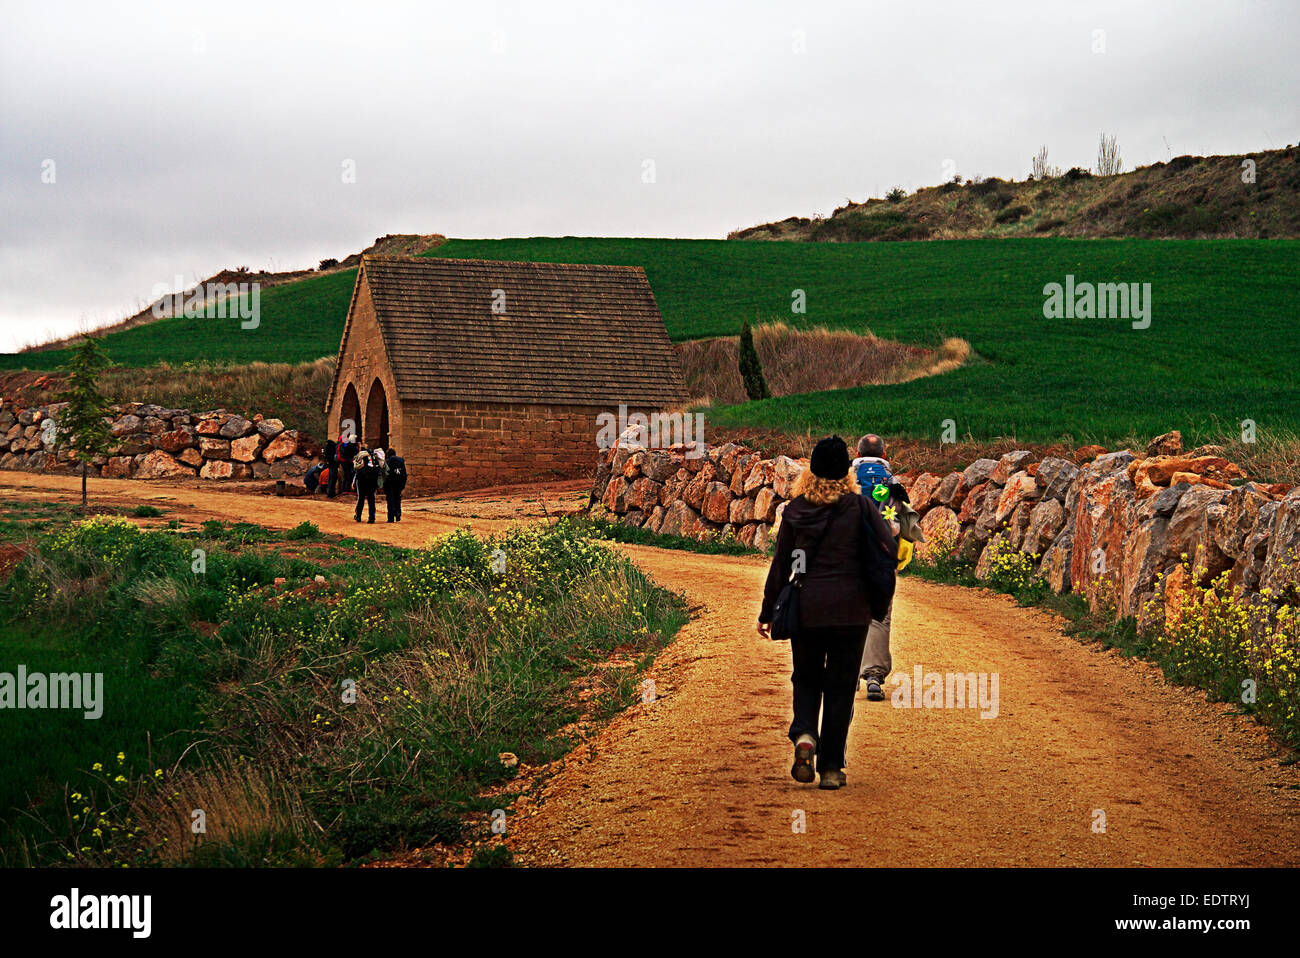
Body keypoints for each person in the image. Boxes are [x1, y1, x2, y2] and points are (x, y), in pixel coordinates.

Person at [758, 436, 897, 790]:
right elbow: (885, 553)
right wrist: (877, 603)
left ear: (812, 471)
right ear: (845, 472)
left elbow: (781, 566)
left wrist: (767, 610)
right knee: (840, 687)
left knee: (805, 677)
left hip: (808, 608)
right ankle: (832, 768)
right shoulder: (862, 508)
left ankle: (805, 734)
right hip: (851, 612)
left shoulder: (796, 510)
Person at [851, 434, 923, 701]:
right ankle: (873, 677)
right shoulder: (894, 485)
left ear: (857, 454)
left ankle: (847, 675)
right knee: (879, 617)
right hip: (882, 561)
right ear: (885, 454)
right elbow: (909, 528)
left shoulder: (845, 481)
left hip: (849, 559)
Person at [352, 444, 380, 523]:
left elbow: (356, 472)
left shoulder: (361, 460)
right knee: (371, 500)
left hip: (362, 482)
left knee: (361, 499)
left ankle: (358, 516)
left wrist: (353, 482)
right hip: (372, 482)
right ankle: (371, 518)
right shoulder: (374, 460)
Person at [381, 447, 407, 522]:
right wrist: (403, 484)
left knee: (390, 500)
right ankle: (398, 515)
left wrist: (383, 485)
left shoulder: (387, 461)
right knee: (397, 499)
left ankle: (391, 518)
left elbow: (385, 474)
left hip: (389, 483)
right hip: (399, 483)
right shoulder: (401, 461)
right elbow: (404, 473)